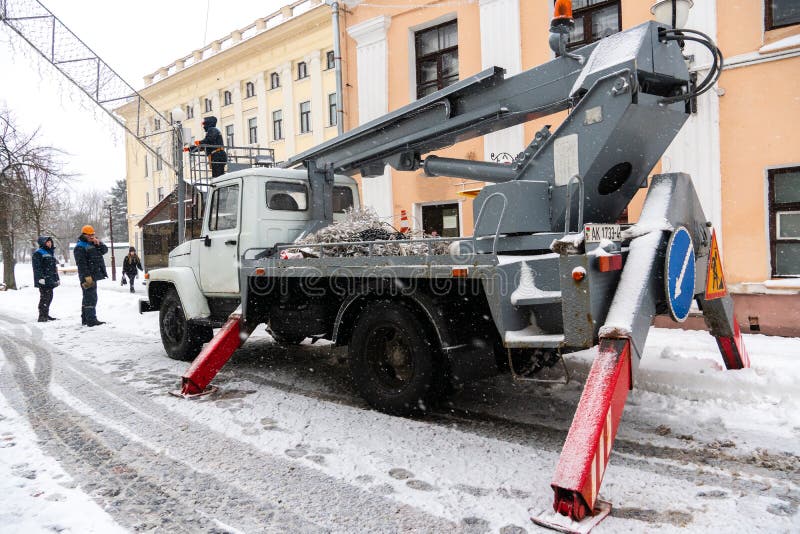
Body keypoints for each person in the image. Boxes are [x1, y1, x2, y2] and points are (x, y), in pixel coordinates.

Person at [73, 225, 108, 326]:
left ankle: (85, 319)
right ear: (84, 235)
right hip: (87, 276)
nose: (92, 237)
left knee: (88, 297)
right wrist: (86, 277)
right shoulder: (80, 247)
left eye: (93, 235)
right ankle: (91, 320)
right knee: (90, 297)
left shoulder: (93, 243)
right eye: (90, 235)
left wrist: (99, 243)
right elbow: (81, 264)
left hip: (94, 275)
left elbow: (104, 251)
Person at [32, 236, 60, 322]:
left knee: (49, 297)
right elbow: (37, 268)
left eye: (50, 242)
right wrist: (40, 278)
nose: (49, 243)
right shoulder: (38, 253)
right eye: (47, 242)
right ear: (43, 243)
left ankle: (46, 314)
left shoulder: (50, 253)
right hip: (43, 279)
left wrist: (57, 278)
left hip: (50, 279)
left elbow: (53, 267)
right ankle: (42, 316)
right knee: (44, 297)